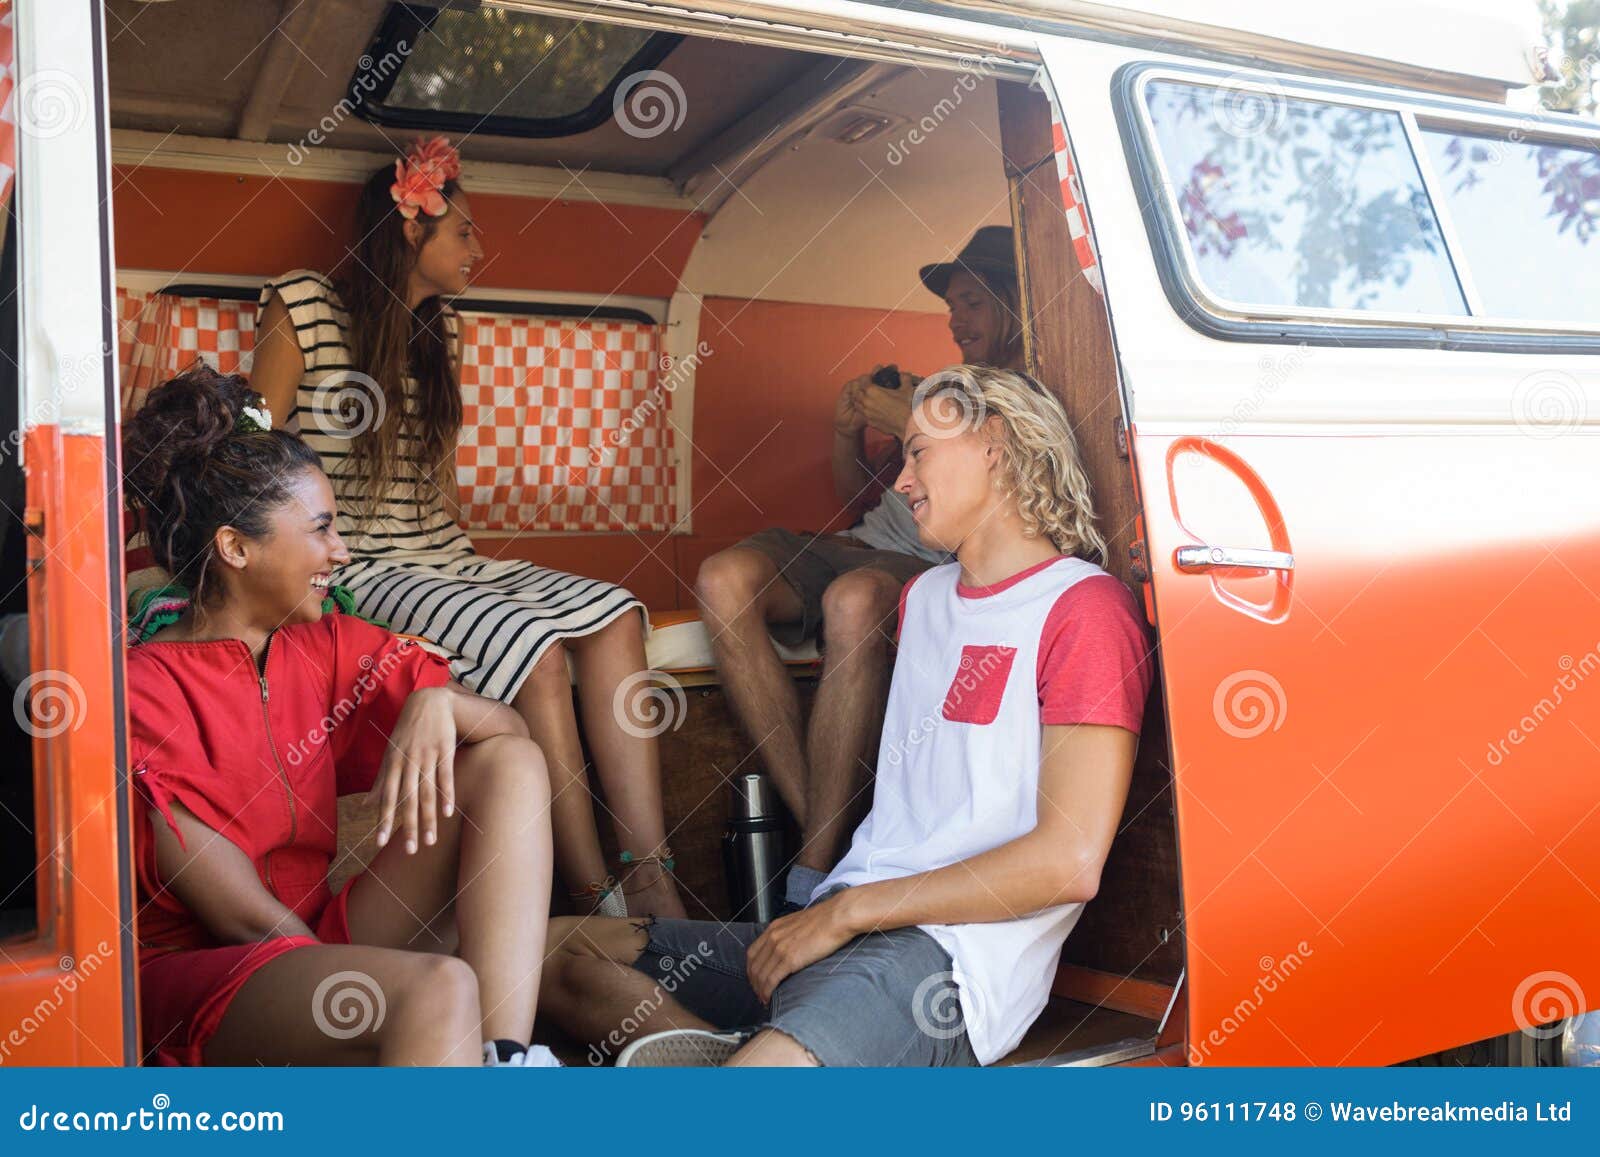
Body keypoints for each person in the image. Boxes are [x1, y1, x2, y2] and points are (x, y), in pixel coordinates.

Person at [542, 364, 1154, 1067]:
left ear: (995, 442)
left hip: (943, 958)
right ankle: (738, 1049)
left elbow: (1067, 863)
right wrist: (833, 913)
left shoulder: (1085, 608)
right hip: (844, 923)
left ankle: (765, 1062)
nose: (902, 481)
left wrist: (840, 913)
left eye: (919, 451)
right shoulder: (924, 598)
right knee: (559, 954)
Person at [251, 137, 684, 918]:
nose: (479, 249)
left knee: (617, 610)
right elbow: (257, 454)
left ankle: (650, 874)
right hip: (360, 566)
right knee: (538, 650)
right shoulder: (304, 303)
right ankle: (590, 896)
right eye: (465, 233)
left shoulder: (437, 333)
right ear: (412, 231)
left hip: (441, 555)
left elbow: (432, 490)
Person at [123, 366, 559, 1066]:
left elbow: (514, 735)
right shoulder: (142, 690)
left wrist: (438, 701)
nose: (341, 552)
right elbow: (236, 914)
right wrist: (353, 995)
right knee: (440, 986)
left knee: (507, 763)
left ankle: (507, 1065)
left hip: (317, 934)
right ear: (236, 547)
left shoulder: (322, 645)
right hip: (209, 971)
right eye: (322, 530)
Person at [695, 225, 1027, 909]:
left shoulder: (1028, 394)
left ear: (1011, 303)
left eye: (970, 302)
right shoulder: (943, 388)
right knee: (721, 579)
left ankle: (810, 877)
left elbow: (1010, 497)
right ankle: (831, 832)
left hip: (924, 558)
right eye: (951, 307)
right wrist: (850, 428)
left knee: (853, 601)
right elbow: (858, 496)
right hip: (851, 541)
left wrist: (911, 411)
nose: (955, 319)